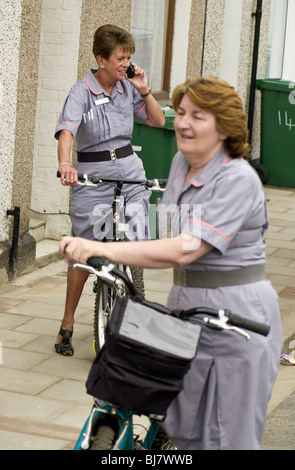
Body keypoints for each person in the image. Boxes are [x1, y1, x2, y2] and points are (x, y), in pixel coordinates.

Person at [59, 77, 282, 450]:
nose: (183, 123)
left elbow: (184, 249)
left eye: (198, 116)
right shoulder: (182, 162)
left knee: (226, 438)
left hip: (237, 316)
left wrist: (105, 249)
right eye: (180, 113)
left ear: (225, 128)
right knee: (180, 426)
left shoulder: (238, 178)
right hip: (186, 302)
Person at [54, 24, 165, 356]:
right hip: (93, 175)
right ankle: (67, 325)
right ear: (101, 59)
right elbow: (67, 132)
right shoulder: (81, 92)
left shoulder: (128, 87)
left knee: (136, 238)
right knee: (83, 250)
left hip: (130, 169)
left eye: (129, 57)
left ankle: (136, 308)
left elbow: (158, 122)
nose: (126, 63)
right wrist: (65, 165)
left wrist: (144, 90)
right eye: (120, 58)